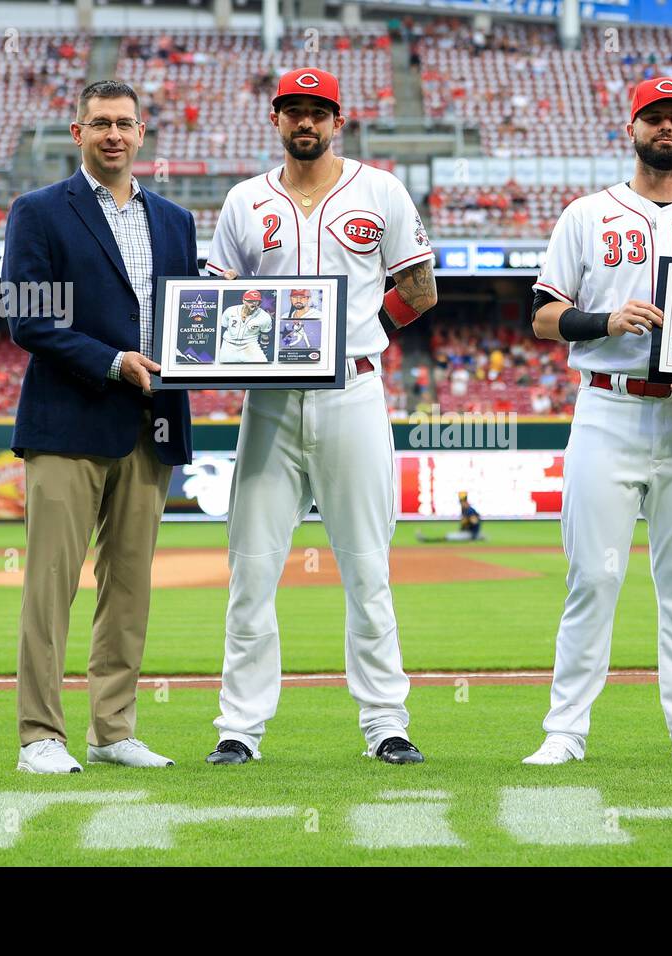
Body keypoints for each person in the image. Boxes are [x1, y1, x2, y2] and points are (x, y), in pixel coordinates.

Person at [523, 77, 672, 766]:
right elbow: (540, 316)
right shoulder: (588, 214)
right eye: (654, 118)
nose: (667, 129)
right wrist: (605, 319)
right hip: (608, 403)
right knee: (593, 578)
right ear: (631, 128)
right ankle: (565, 731)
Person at [204, 68, 437, 766]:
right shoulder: (245, 201)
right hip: (270, 400)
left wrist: (360, 333)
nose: (306, 122)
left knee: (368, 568)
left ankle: (386, 725)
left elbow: (419, 288)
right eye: (293, 111)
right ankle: (239, 730)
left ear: (339, 120)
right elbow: (214, 305)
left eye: (318, 112)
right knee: (251, 570)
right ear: (276, 120)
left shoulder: (381, 190)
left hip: (353, 391)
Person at [3, 79, 197, 774]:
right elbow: (29, 321)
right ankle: (39, 737)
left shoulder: (175, 221)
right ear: (76, 134)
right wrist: (113, 362)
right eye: (99, 123)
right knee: (50, 586)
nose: (113, 134)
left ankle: (112, 731)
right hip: (67, 423)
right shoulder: (37, 212)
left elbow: (188, 322)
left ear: (143, 133)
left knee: (130, 587)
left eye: (124, 123)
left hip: (151, 428)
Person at [220, 289, 273, 363]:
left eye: (256, 301)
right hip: (229, 345)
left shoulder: (264, 317)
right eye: (250, 301)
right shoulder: (230, 311)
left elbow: (265, 336)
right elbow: (222, 328)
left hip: (250, 345)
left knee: (263, 366)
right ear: (244, 301)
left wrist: (264, 351)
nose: (254, 303)